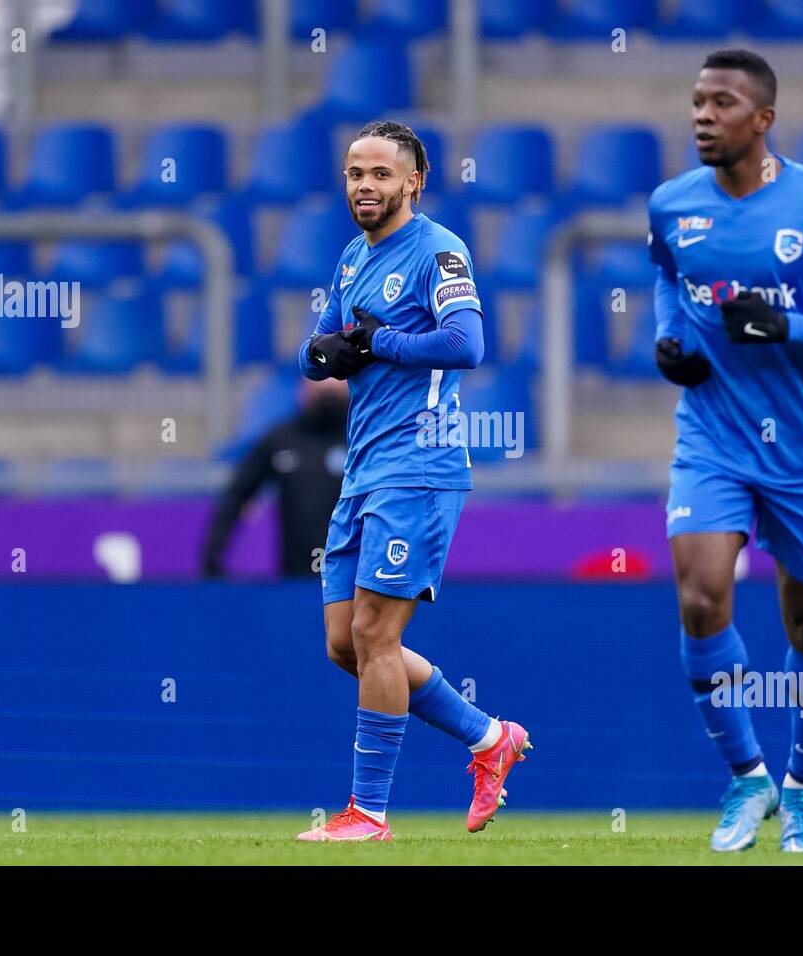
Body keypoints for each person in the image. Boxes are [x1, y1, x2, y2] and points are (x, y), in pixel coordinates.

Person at [649, 49, 803, 852]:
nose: (703, 116)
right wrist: (669, 337)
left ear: (764, 120)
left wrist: (790, 327)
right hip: (711, 436)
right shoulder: (672, 203)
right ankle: (747, 777)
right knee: (700, 596)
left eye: (721, 103)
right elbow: (665, 278)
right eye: (697, 101)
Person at [295, 121, 530, 843]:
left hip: (420, 464)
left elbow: (466, 344)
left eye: (380, 174)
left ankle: (367, 813)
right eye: (354, 173)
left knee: (374, 631)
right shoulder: (350, 257)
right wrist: (323, 350)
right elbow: (323, 353)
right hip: (366, 467)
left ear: (413, 182)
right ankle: (490, 738)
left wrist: (376, 344)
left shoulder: (438, 249)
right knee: (347, 643)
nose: (365, 186)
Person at [200, 377, 348, 579]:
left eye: (338, 377)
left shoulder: (362, 441)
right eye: (321, 377)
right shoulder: (280, 441)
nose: (328, 385)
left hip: (356, 582)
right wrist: (212, 558)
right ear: (302, 388)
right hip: (295, 580)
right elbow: (236, 496)